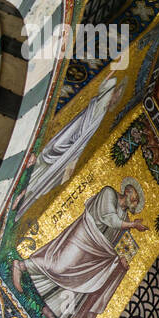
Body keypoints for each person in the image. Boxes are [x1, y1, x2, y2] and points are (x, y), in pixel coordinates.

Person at [11, 180, 146, 318]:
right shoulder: (109, 193)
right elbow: (109, 218)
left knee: (82, 285)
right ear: (127, 192)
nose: (135, 203)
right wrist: (132, 225)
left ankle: (52, 312)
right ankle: (20, 266)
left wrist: (119, 259)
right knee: (60, 264)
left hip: (97, 251)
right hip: (85, 234)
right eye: (135, 198)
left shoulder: (125, 216)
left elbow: (114, 240)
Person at [14, 76, 120, 219]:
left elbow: (85, 138)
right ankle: (21, 188)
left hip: (72, 150)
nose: (114, 99)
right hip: (70, 139)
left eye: (116, 97)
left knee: (48, 175)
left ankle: (21, 196)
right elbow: (106, 85)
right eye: (115, 95)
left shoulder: (101, 115)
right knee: (47, 161)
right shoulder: (98, 104)